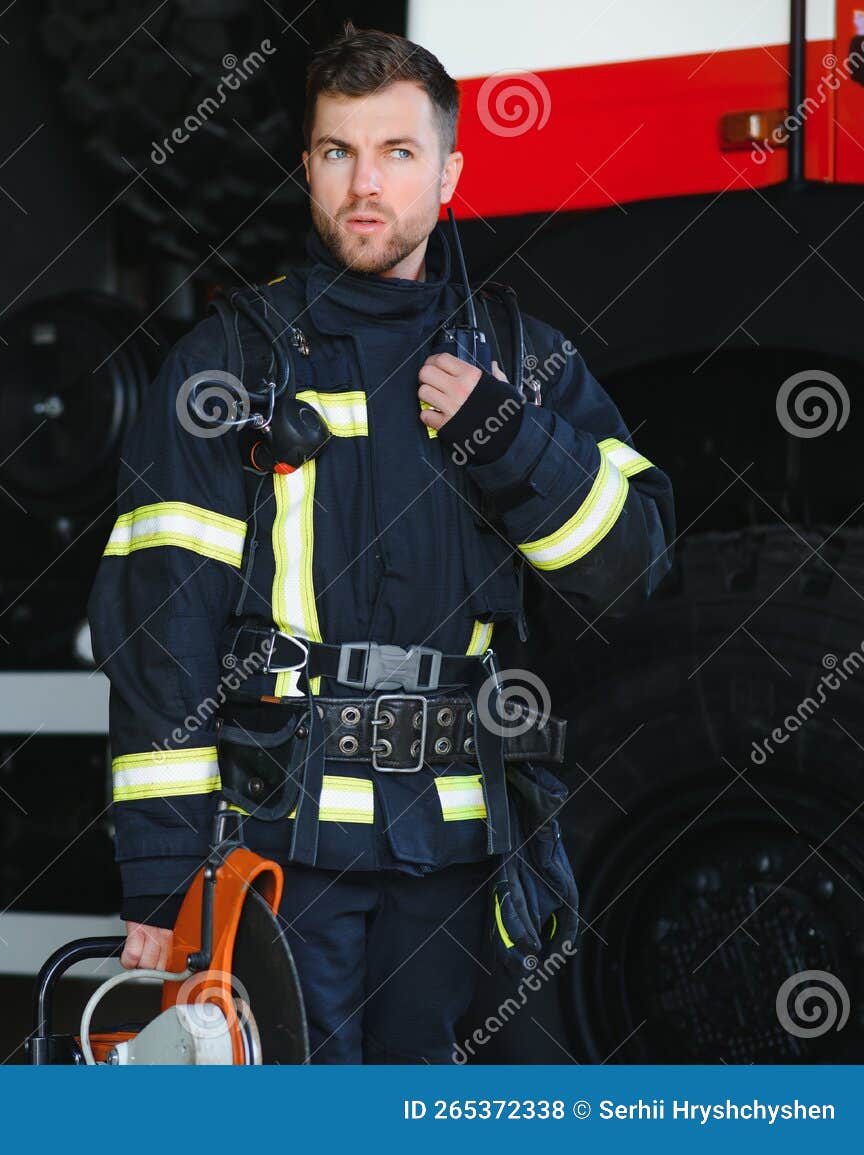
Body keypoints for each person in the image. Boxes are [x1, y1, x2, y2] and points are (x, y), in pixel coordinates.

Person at [85, 22, 676, 1063]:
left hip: (466, 859)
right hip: (280, 861)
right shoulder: (228, 367)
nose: (366, 184)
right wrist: (166, 875)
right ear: (307, 167)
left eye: (397, 153)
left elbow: (632, 574)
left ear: (448, 170)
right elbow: (157, 628)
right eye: (337, 152)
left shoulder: (522, 364)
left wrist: (513, 441)